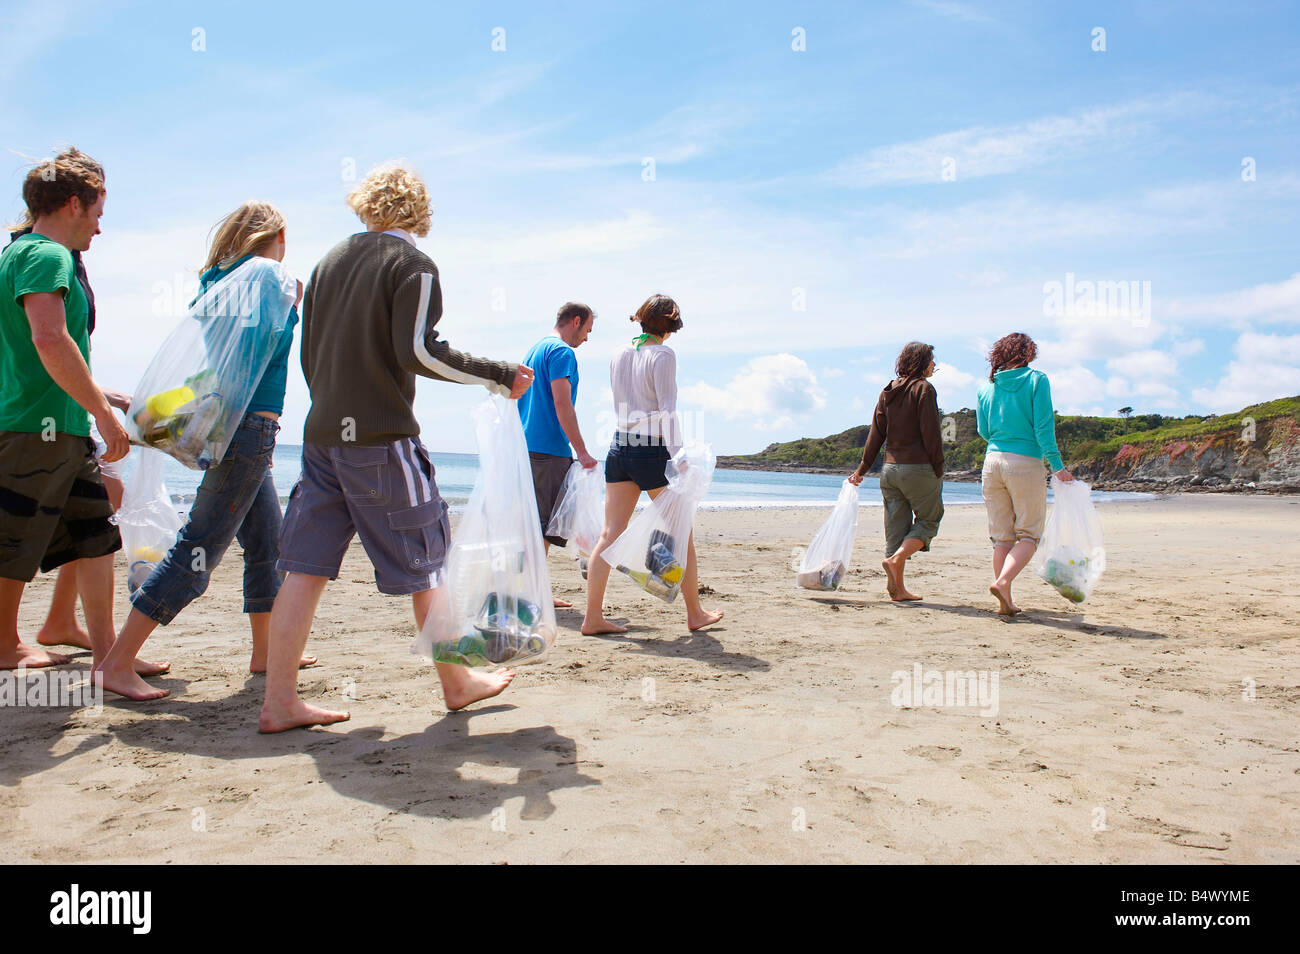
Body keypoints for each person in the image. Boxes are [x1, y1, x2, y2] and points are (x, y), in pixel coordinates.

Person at [258, 163, 533, 733]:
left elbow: (312, 353)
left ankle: (279, 701)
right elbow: (417, 351)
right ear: (419, 211)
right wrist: (497, 374)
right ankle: (458, 682)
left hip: (322, 435)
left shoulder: (328, 261)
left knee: (303, 570)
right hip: (381, 440)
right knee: (428, 564)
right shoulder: (412, 264)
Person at [95, 201, 310, 700]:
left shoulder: (217, 280)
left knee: (267, 541)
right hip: (247, 426)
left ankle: (266, 651)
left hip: (233, 425)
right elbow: (252, 355)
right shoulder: (268, 278)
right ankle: (117, 662)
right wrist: (291, 305)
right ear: (273, 238)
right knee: (198, 548)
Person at [0, 148, 128, 671]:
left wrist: (101, 395)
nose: (98, 229)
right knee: (14, 536)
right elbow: (49, 339)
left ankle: (108, 654)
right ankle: (6, 646)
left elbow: (48, 349)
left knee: (97, 534)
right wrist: (102, 412)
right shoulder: (45, 255)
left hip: (57, 424)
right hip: (34, 425)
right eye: (97, 215)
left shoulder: (24, 252)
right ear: (74, 204)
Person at [581, 294, 723, 636]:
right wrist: (679, 457)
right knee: (681, 531)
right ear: (670, 326)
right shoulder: (664, 355)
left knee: (609, 533)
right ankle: (695, 614)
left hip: (619, 447)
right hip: (652, 450)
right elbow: (667, 410)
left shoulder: (619, 353)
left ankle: (592, 618)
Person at [976, 332, 1074, 616]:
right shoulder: (1036, 380)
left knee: (1002, 537)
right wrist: (1058, 466)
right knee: (1029, 535)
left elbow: (984, 430)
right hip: (1025, 461)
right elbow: (1043, 429)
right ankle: (1003, 582)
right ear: (1028, 353)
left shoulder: (986, 387)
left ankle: (1004, 599)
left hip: (991, 462)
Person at [849, 341, 945, 602]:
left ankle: (897, 589)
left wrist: (861, 470)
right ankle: (898, 559)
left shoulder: (887, 391)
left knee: (895, 531)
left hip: (889, 471)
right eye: (932, 360)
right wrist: (939, 466)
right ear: (921, 362)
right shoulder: (923, 389)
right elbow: (931, 433)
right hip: (918, 468)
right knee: (929, 520)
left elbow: (875, 435)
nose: (934, 365)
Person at [517, 301, 597, 607]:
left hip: (526, 446)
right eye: (587, 330)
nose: (587, 338)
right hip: (548, 449)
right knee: (542, 529)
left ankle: (532, 592)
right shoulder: (563, 352)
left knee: (536, 526)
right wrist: (583, 452)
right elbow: (562, 404)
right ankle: (529, 596)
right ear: (575, 321)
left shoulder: (535, 349)